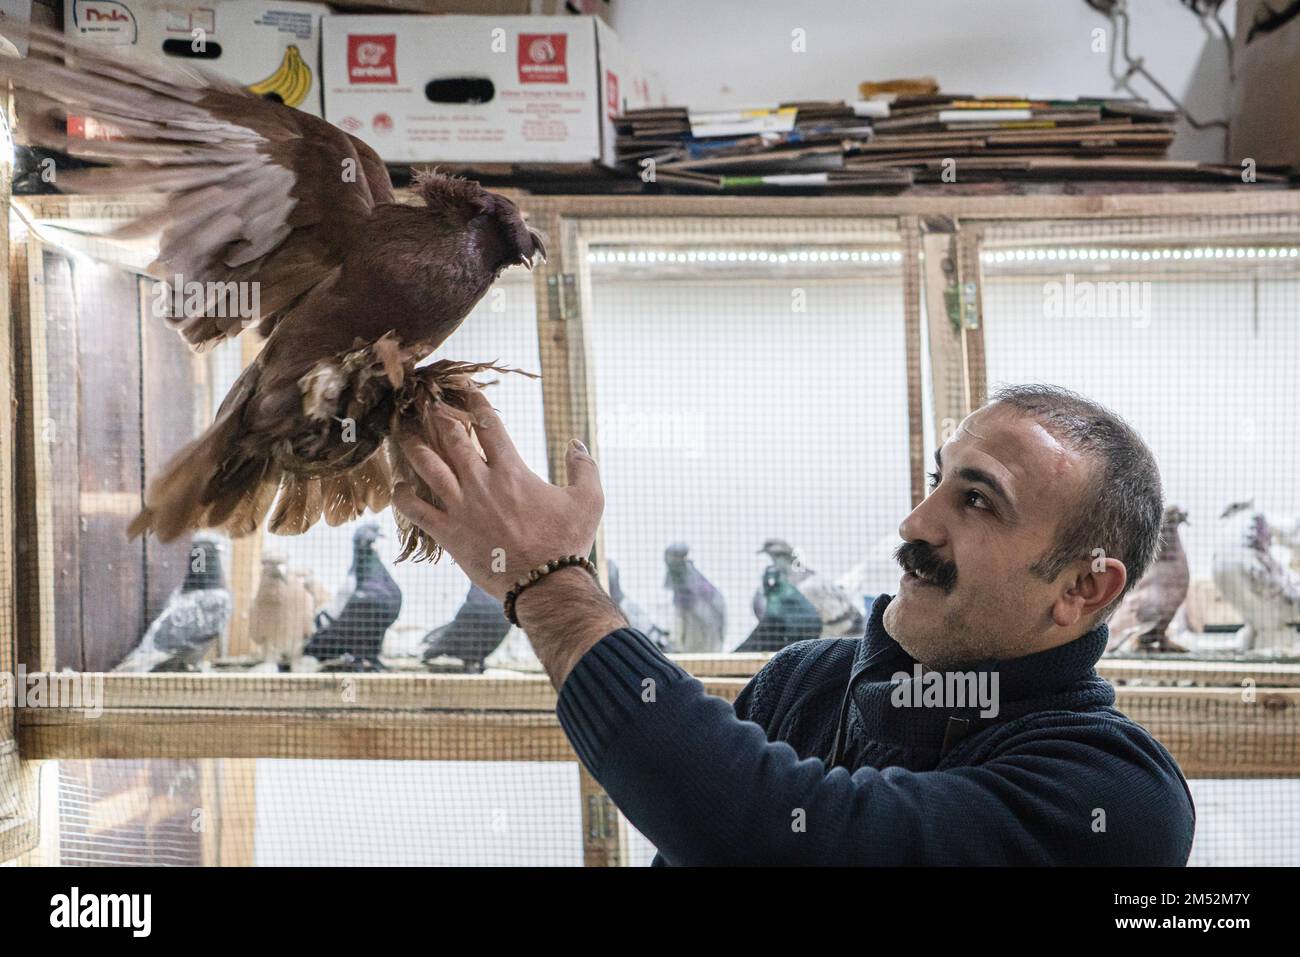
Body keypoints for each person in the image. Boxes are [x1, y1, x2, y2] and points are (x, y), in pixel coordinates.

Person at [393, 383, 1196, 865]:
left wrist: (549, 581)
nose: (914, 522)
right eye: (934, 481)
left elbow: (771, 836)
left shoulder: (1113, 796)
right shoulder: (802, 683)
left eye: (977, 499)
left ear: (1085, 589)